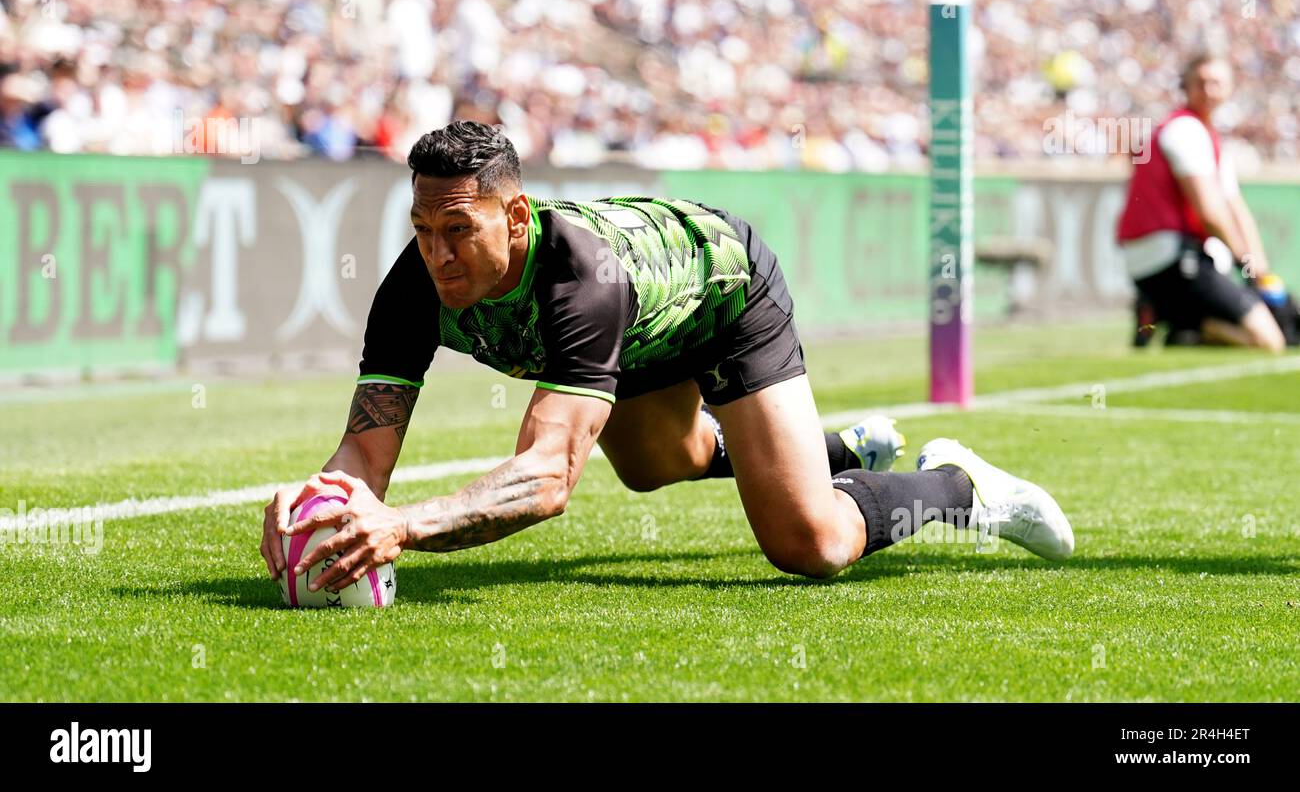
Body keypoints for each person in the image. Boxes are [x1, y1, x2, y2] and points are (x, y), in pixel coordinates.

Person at [259, 121, 1073, 590]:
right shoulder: (413, 288)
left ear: (515, 219)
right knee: (655, 465)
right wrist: (323, 506)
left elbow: (546, 479)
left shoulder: (579, 279)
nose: (437, 253)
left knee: (811, 545)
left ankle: (960, 486)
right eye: (423, 229)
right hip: (642, 332)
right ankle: (834, 450)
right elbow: (366, 449)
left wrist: (396, 527)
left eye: (458, 231)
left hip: (722, 294)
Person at [1118, 54, 1285, 351]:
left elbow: (1236, 209)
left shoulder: (1206, 136)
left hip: (1177, 255)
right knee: (1269, 341)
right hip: (1169, 256)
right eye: (1201, 83)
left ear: (1230, 87)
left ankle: (1180, 323)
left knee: (1274, 317)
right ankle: (1182, 324)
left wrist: (1259, 267)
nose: (1209, 91)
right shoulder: (1186, 131)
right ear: (1186, 87)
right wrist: (1245, 262)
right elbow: (1210, 213)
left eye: (1216, 83)